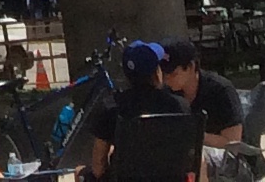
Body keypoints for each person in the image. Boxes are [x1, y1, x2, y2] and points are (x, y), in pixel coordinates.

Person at [78, 40, 194, 180]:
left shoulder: (111, 107)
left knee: (80, 172)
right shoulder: (179, 106)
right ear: (157, 74)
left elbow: (98, 165)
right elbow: (187, 155)